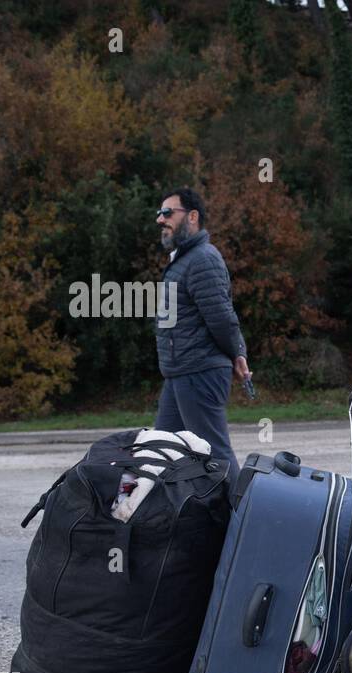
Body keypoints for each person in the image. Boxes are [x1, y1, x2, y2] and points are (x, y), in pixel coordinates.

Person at [153, 187, 250, 483]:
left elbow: (221, 318)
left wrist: (237, 353)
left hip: (200, 371)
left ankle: (240, 520)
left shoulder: (202, 259)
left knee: (215, 454)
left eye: (168, 212)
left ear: (192, 216)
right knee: (162, 451)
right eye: (159, 213)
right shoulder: (183, 260)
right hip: (181, 371)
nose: (160, 219)